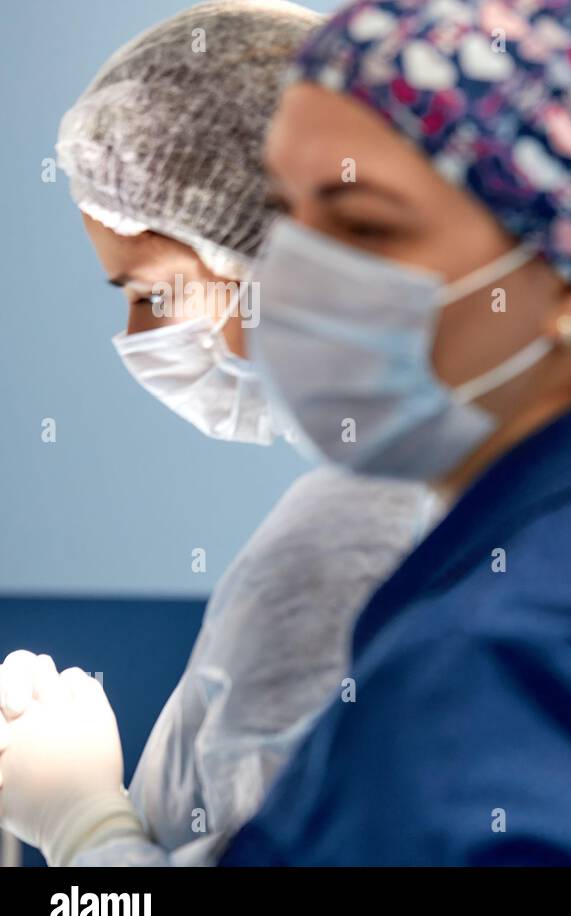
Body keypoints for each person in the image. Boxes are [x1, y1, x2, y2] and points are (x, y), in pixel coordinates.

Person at [12, 0, 571, 865]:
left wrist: (88, 838)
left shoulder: (510, 667)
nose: (270, 297)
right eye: (283, 219)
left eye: (363, 226)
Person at [0, 1, 436, 866]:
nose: (137, 339)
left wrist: (84, 825)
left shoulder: (352, 540)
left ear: (266, 260)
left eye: (153, 293)